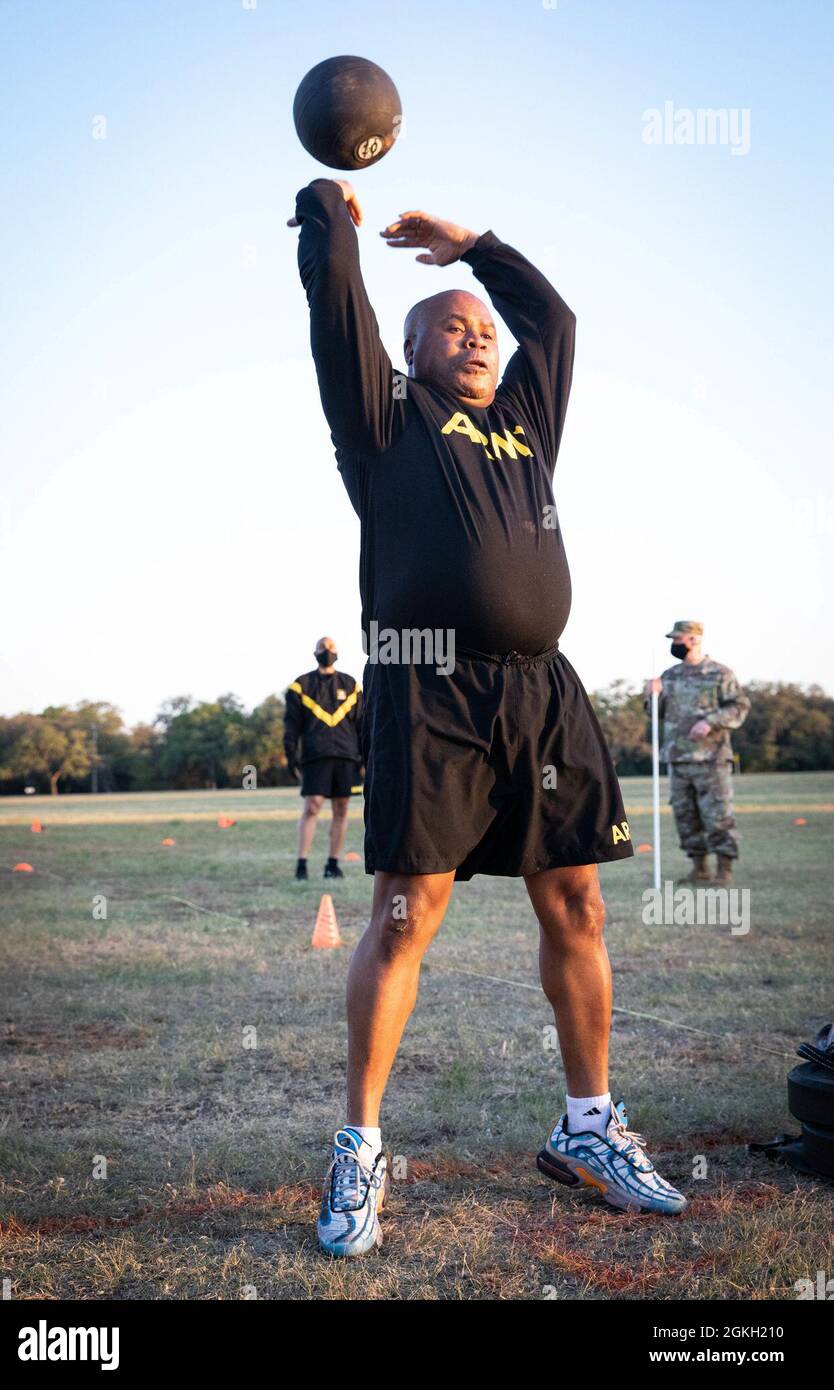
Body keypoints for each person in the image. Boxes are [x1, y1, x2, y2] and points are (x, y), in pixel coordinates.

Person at [290, 178, 686, 1258]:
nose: (473, 339)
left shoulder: (522, 419)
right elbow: (340, 314)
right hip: (428, 683)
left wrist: (477, 247)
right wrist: (331, 214)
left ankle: (586, 1125)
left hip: (541, 690)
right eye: (448, 329)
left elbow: (551, 322)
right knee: (406, 913)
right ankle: (360, 1146)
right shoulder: (383, 420)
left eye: (479, 330)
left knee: (577, 906)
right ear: (411, 355)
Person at [646, 621, 750, 886]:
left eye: (677, 639)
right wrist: (651, 696)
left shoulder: (719, 674)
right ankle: (699, 868)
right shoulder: (669, 675)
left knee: (717, 814)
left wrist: (711, 721)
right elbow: (654, 714)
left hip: (711, 758)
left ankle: (724, 870)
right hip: (678, 757)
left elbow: (739, 707)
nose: (674, 644)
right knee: (686, 816)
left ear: (694, 639)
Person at [283, 636, 365, 880]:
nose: (327, 650)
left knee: (342, 809)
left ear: (337, 652)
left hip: (346, 755)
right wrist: (290, 756)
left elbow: (363, 724)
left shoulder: (351, 685)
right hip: (315, 755)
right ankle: (302, 865)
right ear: (315, 652)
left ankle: (333, 864)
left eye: (330, 647)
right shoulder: (301, 686)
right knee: (313, 806)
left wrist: (365, 759)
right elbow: (291, 725)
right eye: (322, 647)